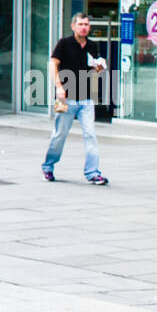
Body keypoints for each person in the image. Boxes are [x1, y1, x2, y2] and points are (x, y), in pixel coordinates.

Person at [43, 11, 108, 185]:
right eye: (80, 24)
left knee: (90, 135)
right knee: (60, 135)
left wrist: (99, 68)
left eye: (86, 24)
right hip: (66, 98)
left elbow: (93, 67)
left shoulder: (92, 46)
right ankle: (48, 167)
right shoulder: (64, 44)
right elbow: (52, 64)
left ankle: (93, 173)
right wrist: (58, 87)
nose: (84, 27)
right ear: (73, 26)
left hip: (86, 99)